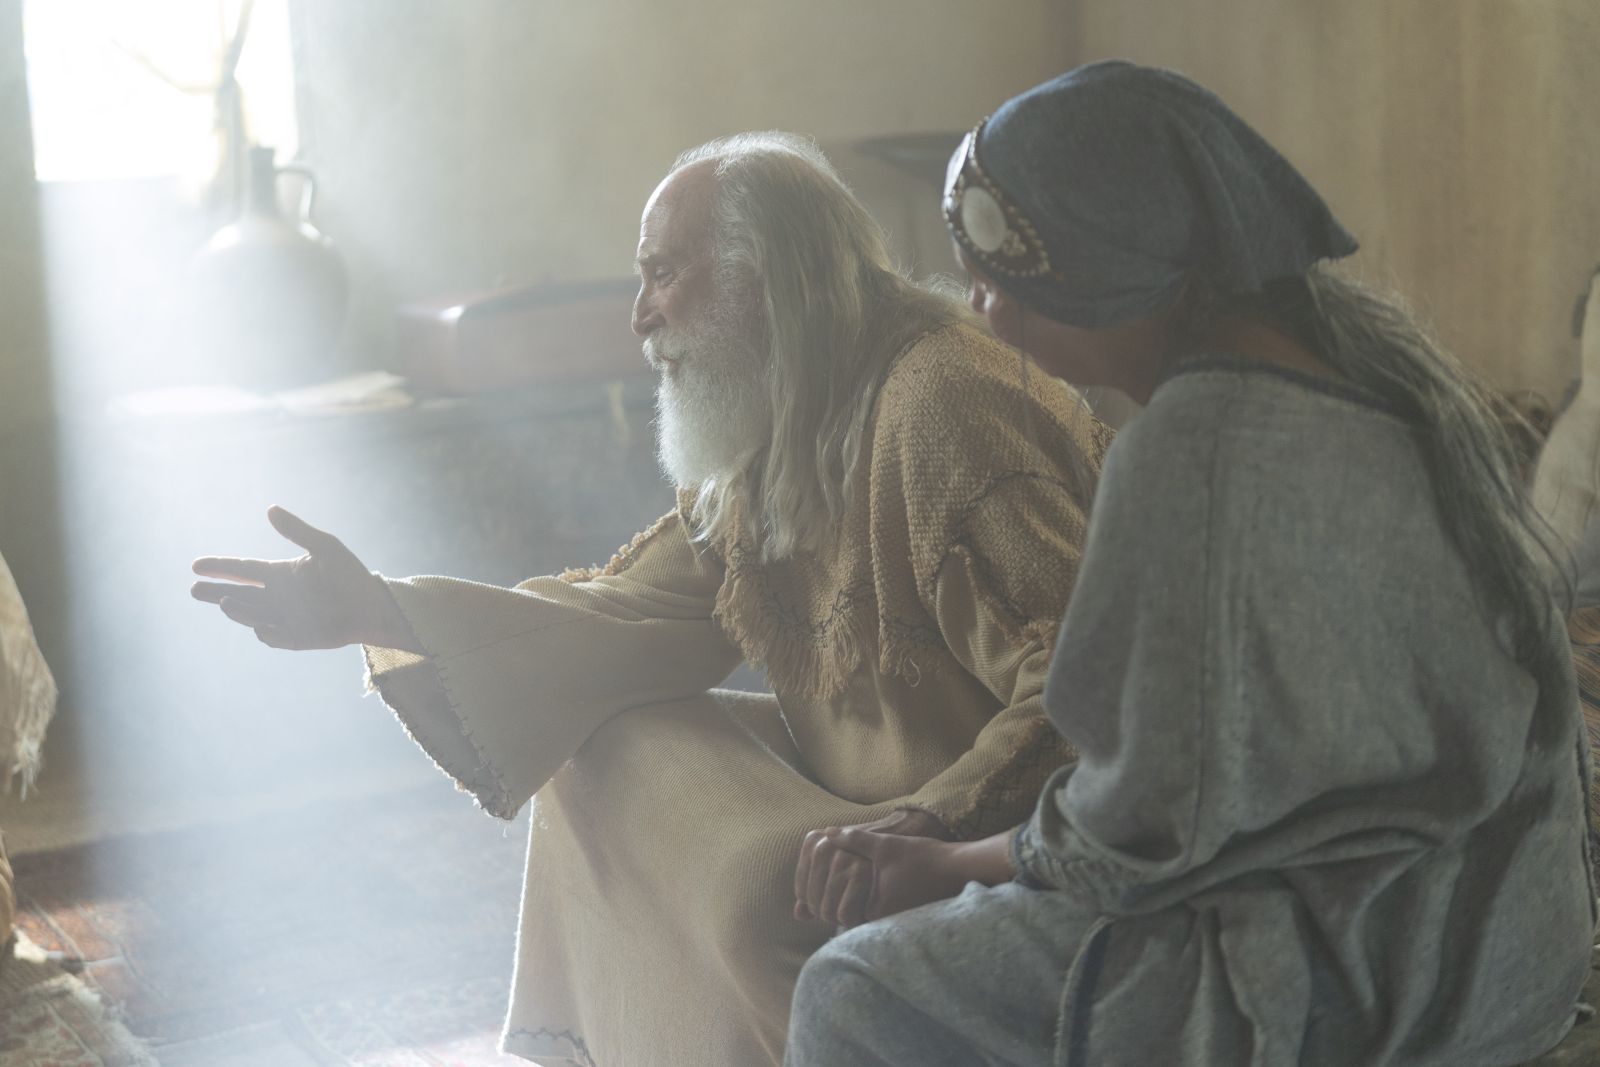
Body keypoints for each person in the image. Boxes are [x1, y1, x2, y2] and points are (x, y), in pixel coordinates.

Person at [190, 132, 1111, 1066]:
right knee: (588, 730)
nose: (640, 316)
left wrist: (927, 827)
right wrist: (378, 611)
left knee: (761, 898)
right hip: (871, 807)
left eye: (664, 274)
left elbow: (1092, 696)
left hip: (1013, 845)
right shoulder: (790, 408)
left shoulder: (942, 401)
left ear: (770, 278)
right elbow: (626, 614)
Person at [787, 61, 1596, 1066]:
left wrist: (946, 862)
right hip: (1511, 945)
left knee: (851, 986)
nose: (979, 300)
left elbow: (1141, 835)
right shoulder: (1391, 388)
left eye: (996, 268)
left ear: (1098, 259)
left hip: (1368, 979)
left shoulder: (1194, 447)